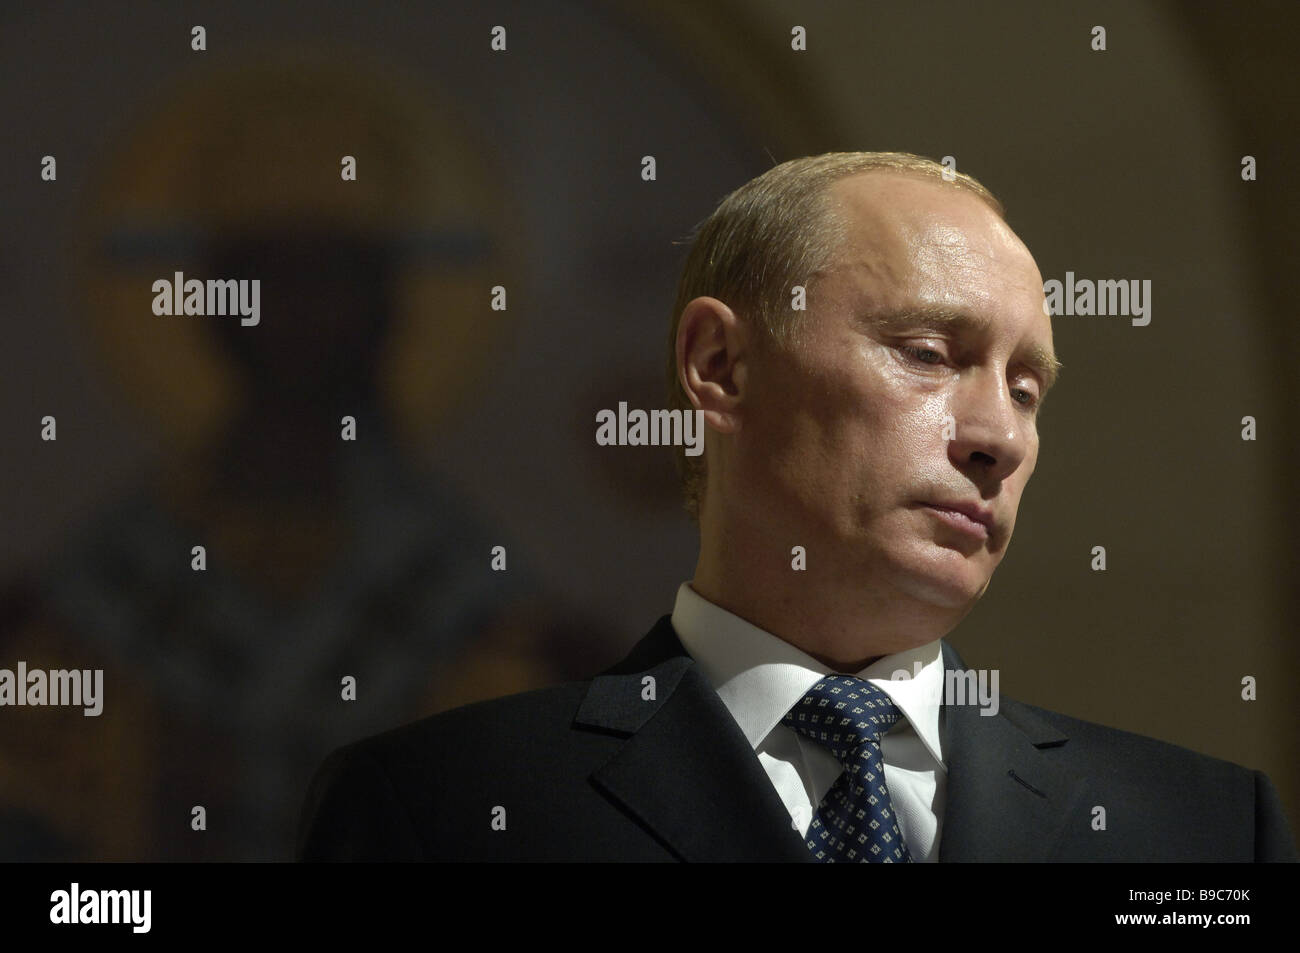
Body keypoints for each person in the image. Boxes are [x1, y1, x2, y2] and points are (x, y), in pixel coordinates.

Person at [296, 152, 1297, 862]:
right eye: (926, 353)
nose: (997, 431)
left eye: (1028, 386)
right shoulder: (443, 810)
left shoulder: (1200, 830)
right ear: (720, 366)